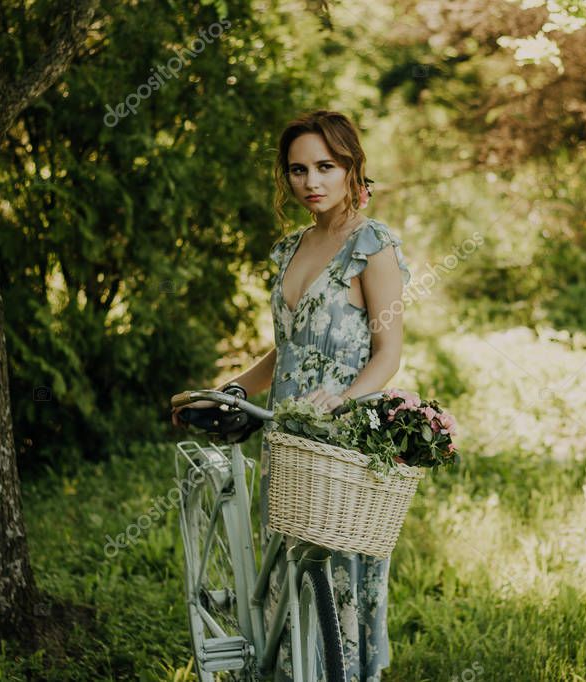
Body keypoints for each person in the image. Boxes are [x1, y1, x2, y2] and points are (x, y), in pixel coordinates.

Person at [172, 109, 411, 681]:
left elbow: (388, 354)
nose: (312, 182)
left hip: (342, 435)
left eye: (326, 167)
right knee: (285, 569)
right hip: (285, 430)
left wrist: (344, 400)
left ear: (352, 166)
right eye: (299, 170)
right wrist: (232, 389)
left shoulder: (372, 245)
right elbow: (287, 348)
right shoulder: (288, 249)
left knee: (339, 574)